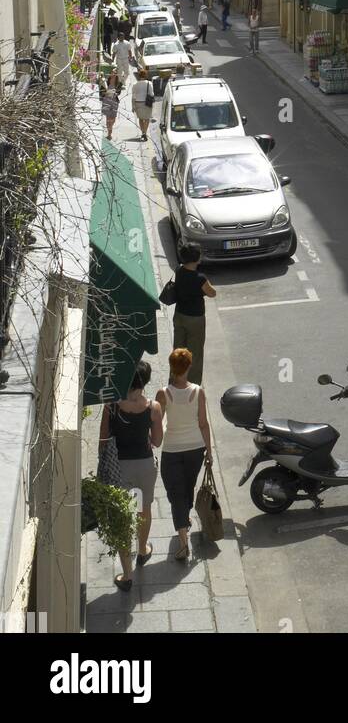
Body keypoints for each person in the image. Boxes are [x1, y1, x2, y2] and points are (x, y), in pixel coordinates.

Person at [99, 361, 163, 591]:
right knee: (143, 508)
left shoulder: (112, 405)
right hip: (145, 465)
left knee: (122, 517)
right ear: (145, 382)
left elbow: (103, 438)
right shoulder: (154, 407)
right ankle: (143, 549)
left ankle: (127, 575)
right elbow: (157, 441)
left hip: (120, 467)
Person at [156, 348, 212, 562]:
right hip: (196, 449)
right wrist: (208, 451)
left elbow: (157, 420)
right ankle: (184, 520)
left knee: (176, 494)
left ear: (171, 367)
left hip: (172, 450)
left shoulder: (163, 393)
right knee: (187, 488)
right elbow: (203, 424)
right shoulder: (199, 391)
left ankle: (182, 542)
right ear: (189, 367)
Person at [171, 244, 216, 385]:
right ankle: (192, 385)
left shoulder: (179, 270)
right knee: (194, 354)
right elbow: (212, 293)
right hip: (195, 319)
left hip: (179, 315)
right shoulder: (200, 278)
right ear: (197, 259)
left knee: (178, 351)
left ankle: (175, 381)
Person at [130, 67, 155, 140]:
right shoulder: (149, 83)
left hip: (138, 103)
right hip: (147, 103)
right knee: (147, 118)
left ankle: (143, 133)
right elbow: (152, 94)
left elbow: (133, 96)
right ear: (145, 75)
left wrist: (133, 106)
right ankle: (145, 132)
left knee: (141, 119)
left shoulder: (135, 84)